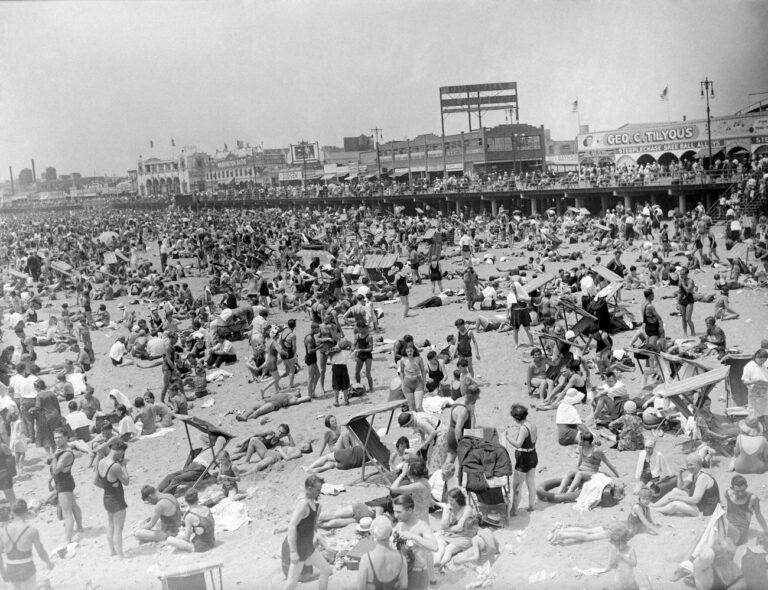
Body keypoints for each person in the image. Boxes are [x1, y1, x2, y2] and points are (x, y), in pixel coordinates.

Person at [548, 487, 660, 545]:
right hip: (621, 529)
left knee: (589, 531)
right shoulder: (638, 507)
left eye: (647, 499)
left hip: (620, 525)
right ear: (639, 498)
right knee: (589, 536)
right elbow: (645, 522)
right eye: (644, 499)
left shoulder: (647, 508)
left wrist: (655, 525)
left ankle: (561, 532)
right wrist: (657, 531)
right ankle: (562, 534)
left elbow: (649, 521)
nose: (645, 501)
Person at [282, 475, 333, 590]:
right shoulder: (303, 504)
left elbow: (313, 528)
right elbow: (292, 526)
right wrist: (293, 552)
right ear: (309, 489)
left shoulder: (313, 504)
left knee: (326, 570)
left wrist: (325, 544)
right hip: (299, 549)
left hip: (308, 547)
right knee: (291, 583)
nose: (320, 493)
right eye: (318, 490)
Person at [0, 499, 53, 590]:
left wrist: (3, 572)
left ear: (11, 512)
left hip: (11, 568)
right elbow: (41, 552)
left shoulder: (3, 531)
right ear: (26, 512)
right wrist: (48, 563)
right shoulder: (31, 530)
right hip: (26, 567)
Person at [652, 453, 720, 517]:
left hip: (706, 510)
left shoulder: (702, 477)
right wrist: (680, 474)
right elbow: (680, 487)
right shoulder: (694, 474)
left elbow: (695, 500)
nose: (689, 467)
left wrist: (678, 498)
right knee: (675, 491)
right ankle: (654, 505)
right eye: (688, 465)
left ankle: (654, 510)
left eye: (692, 465)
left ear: (699, 465)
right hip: (700, 504)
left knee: (675, 504)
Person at [392, 494, 438, 590]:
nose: (395, 515)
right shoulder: (400, 524)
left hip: (418, 573)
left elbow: (435, 547)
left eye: (399, 512)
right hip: (403, 569)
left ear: (409, 510)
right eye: (394, 511)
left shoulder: (422, 526)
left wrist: (414, 536)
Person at [96, 439, 129, 557]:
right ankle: (121, 555)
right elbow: (126, 481)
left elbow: (95, 482)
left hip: (106, 497)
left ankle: (112, 552)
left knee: (110, 526)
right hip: (117, 499)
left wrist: (108, 487)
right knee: (118, 529)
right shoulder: (115, 466)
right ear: (120, 451)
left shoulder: (100, 462)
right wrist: (124, 466)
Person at [356, 515, 408, 590]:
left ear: (373, 534)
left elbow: (360, 587)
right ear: (390, 533)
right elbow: (403, 586)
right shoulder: (402, 559)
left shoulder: (366, 559)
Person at [50, 428, 83, 543]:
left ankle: (68, 540)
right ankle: (80, 528)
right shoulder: (61, 450)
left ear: (66, 437)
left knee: (67, 513)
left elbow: (56, 470)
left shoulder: (65, 454)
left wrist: (54, 457)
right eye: (55, 438)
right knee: (73, 505)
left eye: (59, 437)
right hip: (65, 481)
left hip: (64, 484)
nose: (57, 440)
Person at [433, 488, 478, 571]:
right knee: (441, 544)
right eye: (448, 500)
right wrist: (446, 513)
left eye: (451, 500)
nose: (449, 502)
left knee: (449, 549)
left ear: (458, 499)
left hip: (465, 535)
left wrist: (447, 530)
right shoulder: (448, 507)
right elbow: (443, 526)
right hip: (452, 534)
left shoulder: (467, 509)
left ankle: (441, 565)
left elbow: (459, 527)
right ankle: (436, 562)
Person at [506, 403, 537, 515]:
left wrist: (507, 437)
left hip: (523, 459)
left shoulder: (524, 429)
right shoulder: (532, 424)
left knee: (517, 487)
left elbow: (518, 444)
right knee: (531, 482)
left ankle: (513, 511)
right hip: (533, 455)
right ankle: (532, 506)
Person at [166, 488, 216, 553]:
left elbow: (186, 537)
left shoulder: (190, 516)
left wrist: (178, 537)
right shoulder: (206, 508)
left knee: (169, 539)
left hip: (201, 548)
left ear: (186, 501)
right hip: (212, 542)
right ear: (197, 499)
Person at [725, 474, 768, 546]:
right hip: (727, 526)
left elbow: (758, 515)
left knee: (726, 545)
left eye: (743, 490)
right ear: (732, 488)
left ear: (746, 487)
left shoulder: (752, 498)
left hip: (740, 531)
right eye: (737, 491)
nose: (740, 493)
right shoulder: (727, 494)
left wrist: (766, 530)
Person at [445, 383, 480, 464]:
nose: (478, 398)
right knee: (450, 461)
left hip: (457, 434)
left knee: (452, 461)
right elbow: (458, 429)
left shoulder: (462, 401)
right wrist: (461, 446)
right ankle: (442, 475)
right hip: (456, 437)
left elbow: (472, 415)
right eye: (476, 396)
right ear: (470, 395)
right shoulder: (463, 411)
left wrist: (472, 432)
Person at [236, 391, 311, 421]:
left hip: (274, 404)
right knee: (254, 407)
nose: (297, 392)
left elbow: (306, 398)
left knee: (258, 412)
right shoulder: (288, 393)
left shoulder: (293, 399)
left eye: (298, 393)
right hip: (268, 400)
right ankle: (244, 416)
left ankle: (249, 418)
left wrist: (308, 396)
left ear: (298, 396)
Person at [742, 348, 768, 431]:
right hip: (754, 395)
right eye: (760, 359)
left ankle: (764, 431)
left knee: (765, 413)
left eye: (764, 360)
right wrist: (754, 381)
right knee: (754, 415)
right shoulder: (749, 366)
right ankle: (753, 432)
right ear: (756, 356)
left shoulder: (764, 367)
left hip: (764, 395)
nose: (762, 362)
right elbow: (744, 381)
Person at [398, 342, 426, 412]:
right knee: (412, 409)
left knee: (419, 407)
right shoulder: (403, 360)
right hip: (407, 384)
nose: (409, 353)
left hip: (418, 383)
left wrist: (424, 383)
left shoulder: (419, 358)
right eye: (407, 351)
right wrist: (402, 383)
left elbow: (423, 371)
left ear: (413, 350)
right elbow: (401, 371)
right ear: (405, 351)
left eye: (410, 351)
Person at [353, 322, 374, 393]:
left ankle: (371, 388)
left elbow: (371, 349)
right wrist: (353, 349)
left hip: (367, 355)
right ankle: (359, 387)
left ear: (364, 328)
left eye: (360, 329)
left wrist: (360, 350)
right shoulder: (357, 336)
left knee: (368, 373)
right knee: (356, 372)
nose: (359, 330)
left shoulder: (369, 336)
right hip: (360, 355)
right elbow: (354, 344)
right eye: (358, 329)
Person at [677, 267, 696, 337]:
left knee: (688, 318)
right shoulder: (680, 281)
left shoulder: (690, 281)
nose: (681, 275)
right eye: (680, 274)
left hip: (689, 300)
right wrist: (677, 302)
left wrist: (683, 283)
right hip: (682, 300)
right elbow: (679, 292)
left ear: (687, 274)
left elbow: (688, 290)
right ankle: (685, 333)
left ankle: (693, 332)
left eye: (683, 274)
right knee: (683, 318)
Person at [304, 322, 321, 399]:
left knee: (317, 375)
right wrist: (319, 347)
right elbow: (309, 351)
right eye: (318, 329)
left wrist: (318, 345)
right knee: (311, 377)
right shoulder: (309, 338)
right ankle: (309, 395)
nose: (319, 330)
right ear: (314, 329)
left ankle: (312, 391)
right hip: (310, 359)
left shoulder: (311, 335)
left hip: (313, 359)